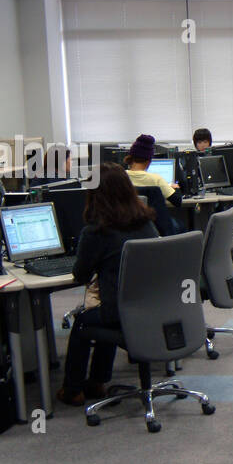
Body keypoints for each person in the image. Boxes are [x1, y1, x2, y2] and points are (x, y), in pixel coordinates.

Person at [57, 165, 159, 407]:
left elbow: (80, 275)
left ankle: (73, 389)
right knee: (102, 314)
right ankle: (97, 381)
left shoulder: (97, 231)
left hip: (122, 311)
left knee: (84, 321)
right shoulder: (146, 222)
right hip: (155, 306)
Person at [123, 134, 182, 207]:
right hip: (150, 217)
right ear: (149, 160)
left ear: (130, 157)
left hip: (125, 217)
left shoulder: (120, 176)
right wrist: (176, 188)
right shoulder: (155, 179)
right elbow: (177, 201)